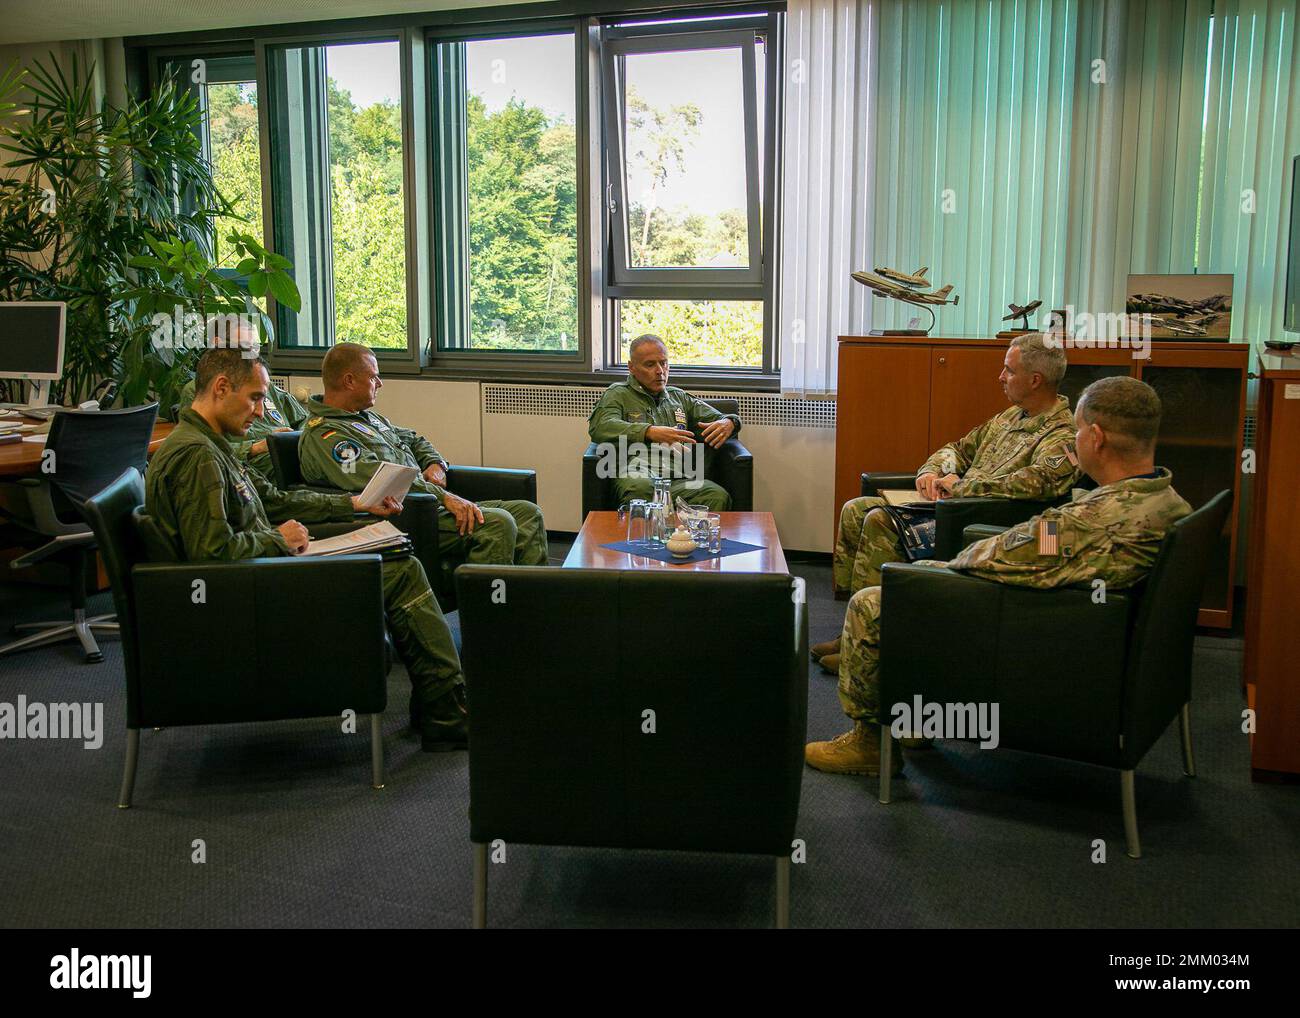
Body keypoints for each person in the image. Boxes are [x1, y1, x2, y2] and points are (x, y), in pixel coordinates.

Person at [805, 375, 1192, 777]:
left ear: (1095, 437)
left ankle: (869, 742)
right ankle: (912, 713)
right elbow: (1042, 542)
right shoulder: (1166, 501)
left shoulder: (1090, 522)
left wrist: (927, 570)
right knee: (908, 568)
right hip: (1082, 631)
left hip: (1031, 637)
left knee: (875, 600)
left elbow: (996, 556)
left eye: (1078, 433)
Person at [146, 347, 469, 752]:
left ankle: (440, 707)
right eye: (255, 397)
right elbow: (211, 553)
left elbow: (275, 498)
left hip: (262, 570)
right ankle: (446, 713)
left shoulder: (213, 445)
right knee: (401, 570)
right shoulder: (196, 457)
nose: (262, 412)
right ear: (221, 387)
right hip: (249, 591)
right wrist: (278, 540)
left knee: (395, 552)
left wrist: (352, 504)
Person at [813, 332, 1079, 673]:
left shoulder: (1062, 435)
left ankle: (876, 647)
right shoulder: (1010, 417)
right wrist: (934, 470)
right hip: (951, 507)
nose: (1001, 377)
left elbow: (1039, 483)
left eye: (1009, 371)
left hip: (982, 528)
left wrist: (966, 488)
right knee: (855, 509)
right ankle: (855, 631)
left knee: (880, 521)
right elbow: (958, 448)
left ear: (1035, 379)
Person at [298, 342, 548, 568]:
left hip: (429, 505)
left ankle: (530, 602)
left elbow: (414, 439)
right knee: (497, 523)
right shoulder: (328, 436)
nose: (380, 384)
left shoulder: (368, 418)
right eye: (374, 377)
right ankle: (490, 613)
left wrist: (435, 463)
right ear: (349, 381)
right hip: (403, 518)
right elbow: (380, 481)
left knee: (527, 513)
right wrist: (444, 496)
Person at [587, 334, 742, 512]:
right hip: (636, 473)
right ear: (632, 367)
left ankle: (689, 540)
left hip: (678, 479)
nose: (660, 370)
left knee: (715, 495)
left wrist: (730, 422)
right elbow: (601, 426)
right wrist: (649, 431)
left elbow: (720, 419)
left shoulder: (679, 398)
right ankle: (643, 539)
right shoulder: (618, 394)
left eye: (664, 363)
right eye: (650, 364)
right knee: (641, 488)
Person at [176, 318, 308, 481]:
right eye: (245, 348)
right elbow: (205, 450)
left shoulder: (263, 383)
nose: (252, 355)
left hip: (293, 451)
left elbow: (304, 419)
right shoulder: (199, 389)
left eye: (256, 348)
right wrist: (254, 448)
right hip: (257, 464)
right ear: (218, 344)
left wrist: (304, 440)